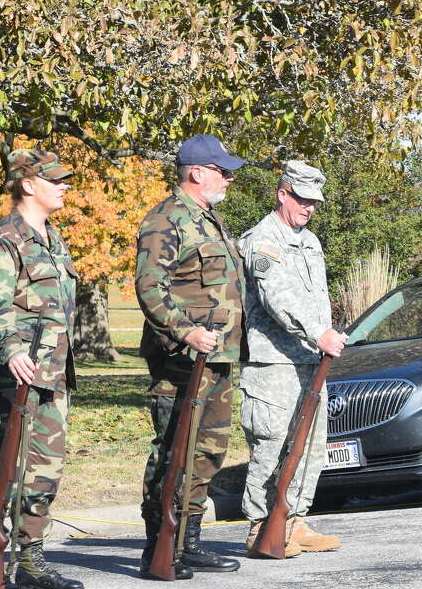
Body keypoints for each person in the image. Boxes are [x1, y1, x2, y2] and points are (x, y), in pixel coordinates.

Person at [0, 148, 83, 589]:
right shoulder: (3, 239)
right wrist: (13, 350)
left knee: (44, 472)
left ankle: (30, 558)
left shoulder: (53, 239)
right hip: (9, 379)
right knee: (5, 471)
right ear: (28, 185)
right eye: (56, 180)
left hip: (50, 378)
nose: (64, 186)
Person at [135, 134, 247, 579]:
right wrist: (186, 332)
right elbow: (149, 288)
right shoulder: (167, 220)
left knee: (208, 452)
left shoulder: (209, 219)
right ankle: (160, 545)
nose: (229, 179)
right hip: (183, 360)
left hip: (218, 357)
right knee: (174, 450)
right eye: (222, 171)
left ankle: (189, 541)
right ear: (196, 172)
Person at [237, 161, 345, 558]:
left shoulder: (310, 241)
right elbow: (276, 297)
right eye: (301, 199)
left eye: (314, 201)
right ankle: (260, 526)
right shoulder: (262, 240)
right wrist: (319, 333)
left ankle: (294, 521)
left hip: (311, 361)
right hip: (274, 363)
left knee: (310, 445)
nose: (308, 207)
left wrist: (323, 338)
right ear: (282, 193)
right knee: (272, 444)